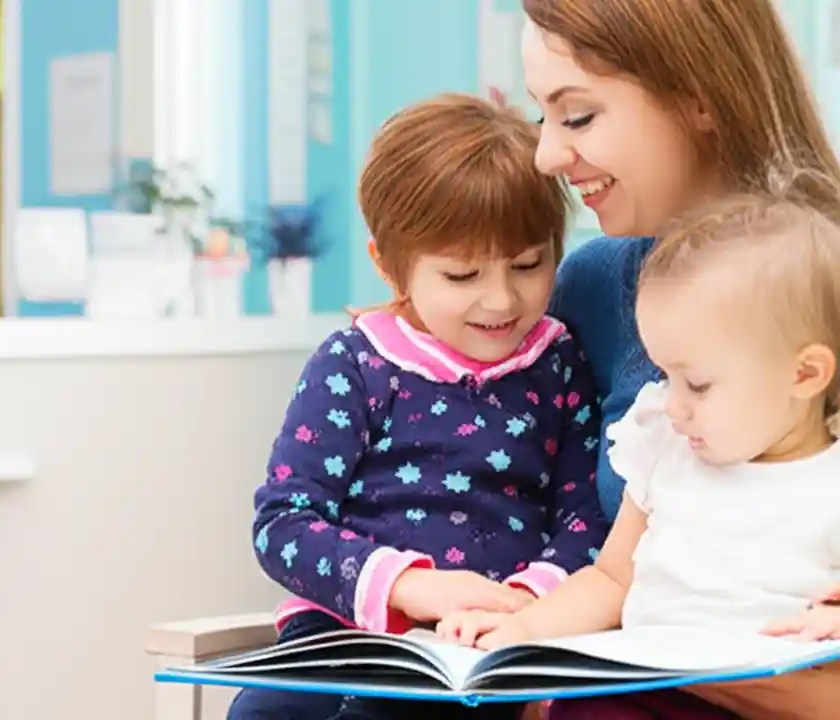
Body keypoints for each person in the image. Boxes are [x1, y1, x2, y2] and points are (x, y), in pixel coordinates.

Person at [229, 93, 610, 720]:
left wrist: (520, 604)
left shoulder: (559, 362)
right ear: (390, 265)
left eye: (528, 264)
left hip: (488, 650)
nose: (500, 300)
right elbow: (283, 522)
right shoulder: (356, 362)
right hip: (341, 633)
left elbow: (586, 523)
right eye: (462, 276)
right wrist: (414, 588)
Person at [512, 1, 840, 716]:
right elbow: (504, 494)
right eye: (543, 116)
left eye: (578, 117)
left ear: (699, 97)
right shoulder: (592, 289)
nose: (544, 157)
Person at [437, 194, 840, 718]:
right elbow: (611, 579)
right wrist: (523, 629)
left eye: (697, 384)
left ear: (805, 375)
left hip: (775, 694)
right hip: (649, 688)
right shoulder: (663, 445)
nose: (673, 405)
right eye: (664, 376)